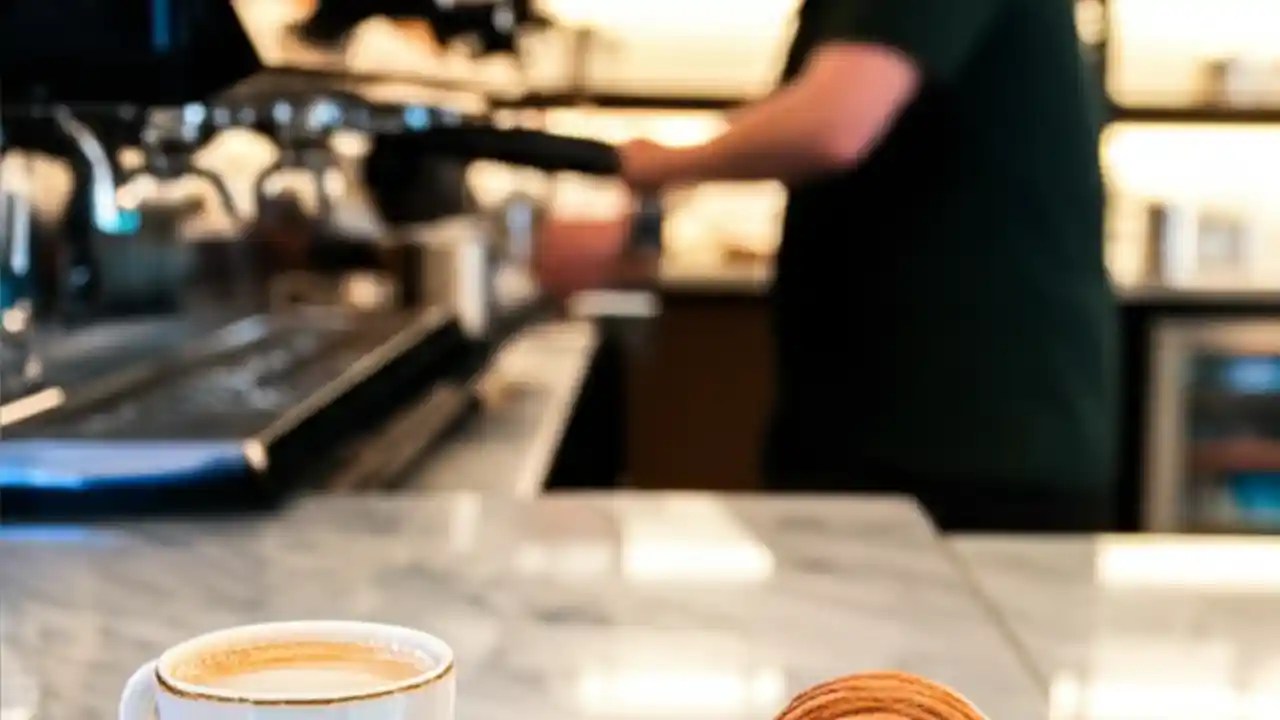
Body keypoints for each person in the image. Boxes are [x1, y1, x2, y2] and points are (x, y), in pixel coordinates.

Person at [545, 0, 1119, 531]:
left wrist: (658, 168)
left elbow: (835, 122)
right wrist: (646, 210)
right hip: (919, 427)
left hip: (957, 438)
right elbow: (815, 111)